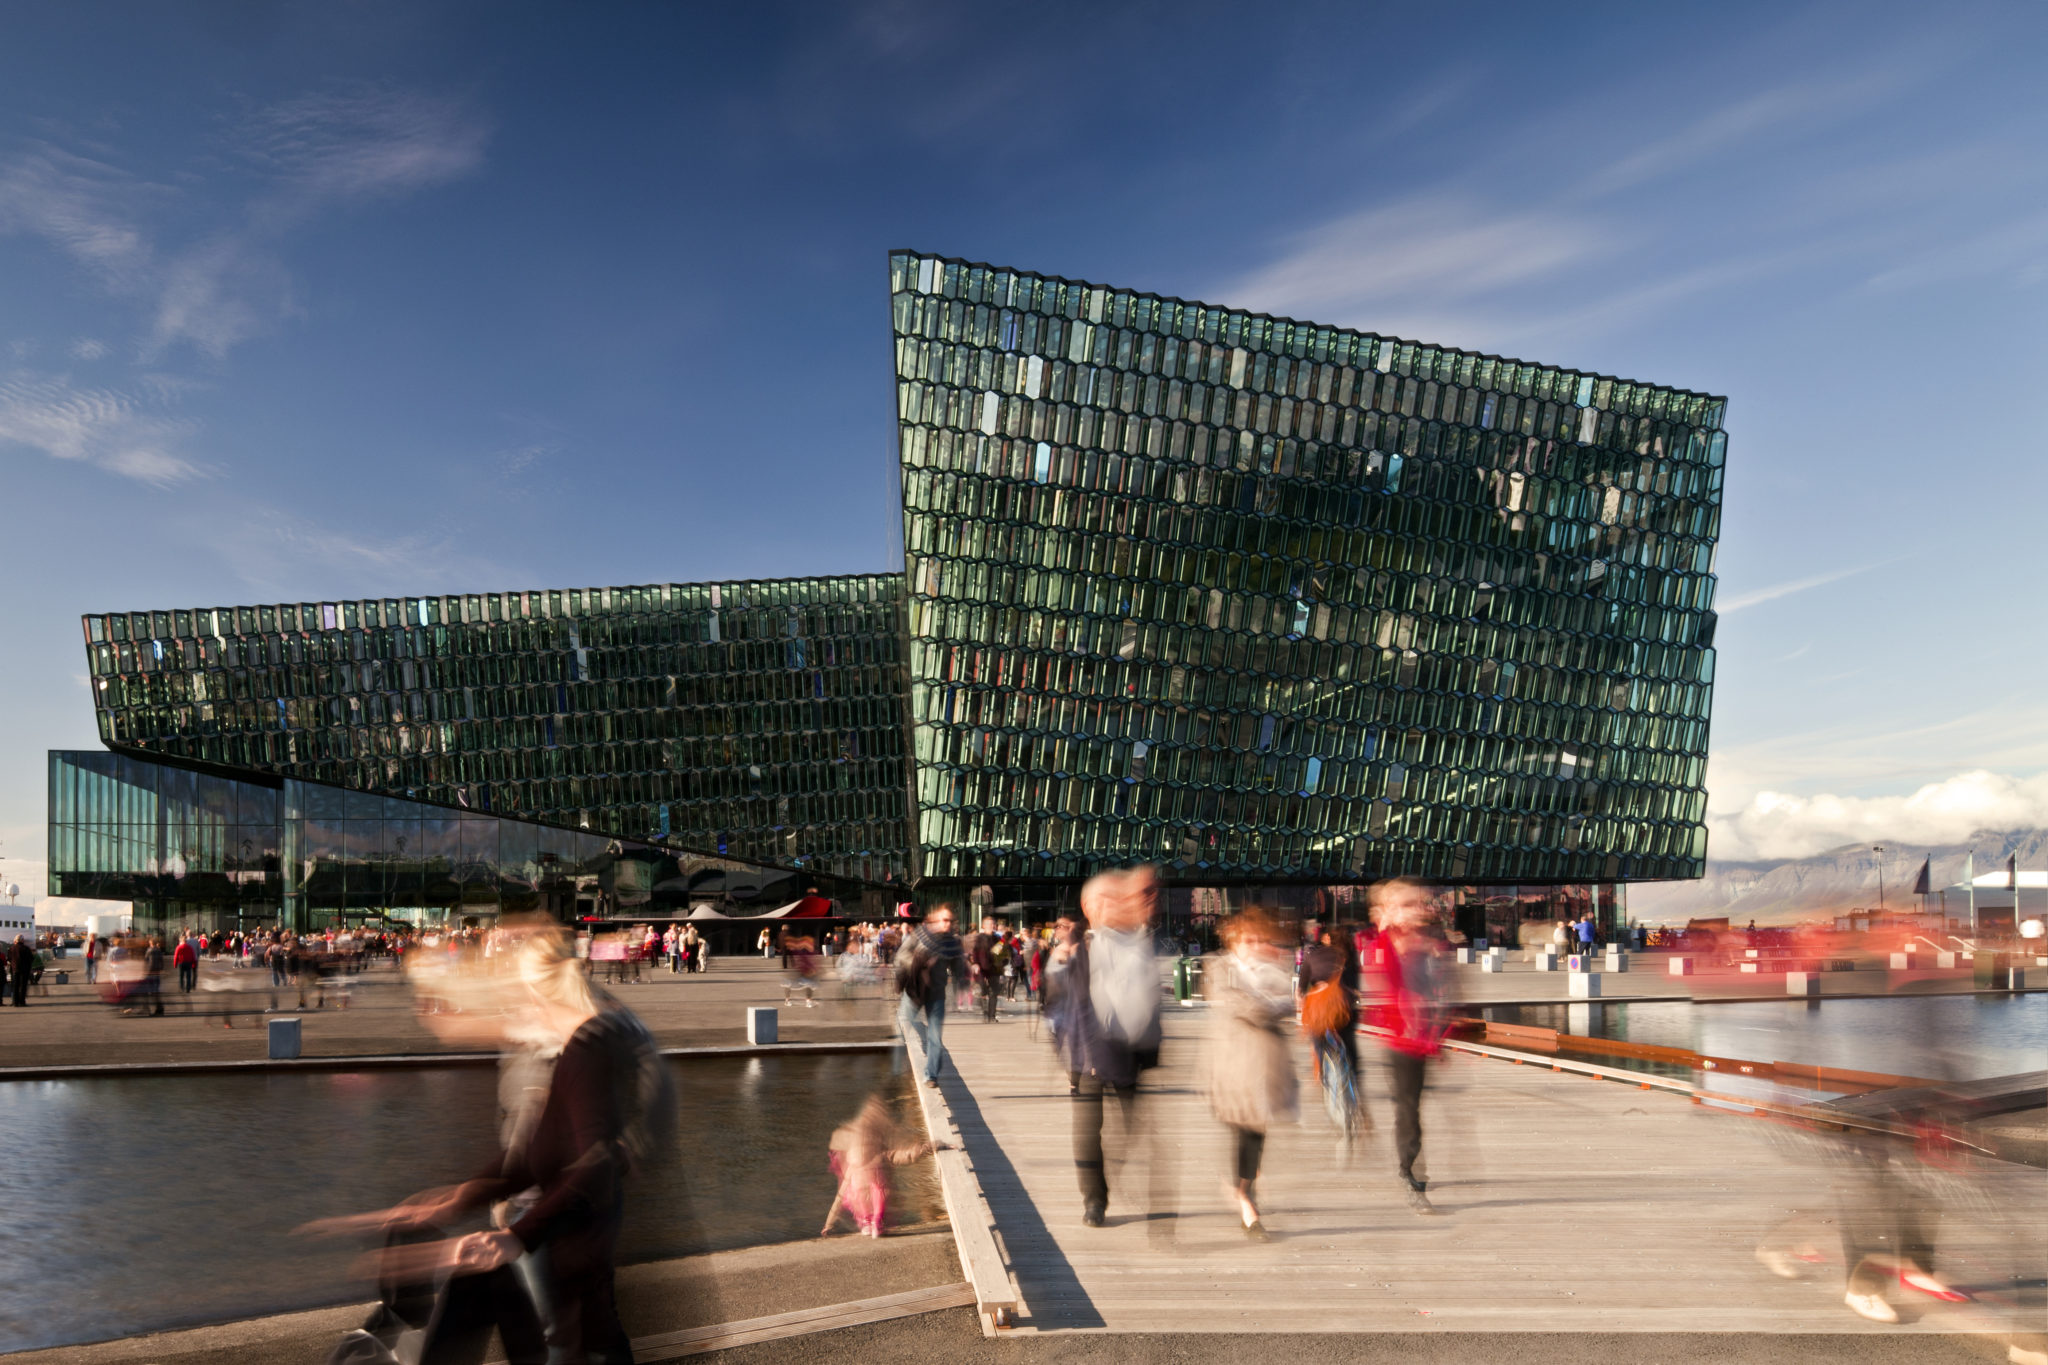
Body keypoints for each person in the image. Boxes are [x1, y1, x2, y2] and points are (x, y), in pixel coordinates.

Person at [1047, 866, 1167, 1230]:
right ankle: (1094, 1200)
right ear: (1088, 906)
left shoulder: (1142, 941)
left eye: (1117, 898)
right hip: (1087, 1055)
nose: (1113, 905)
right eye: (1104, 900)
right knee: (1087, 1132)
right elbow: (1059, 1002)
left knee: (1129, 1130)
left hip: (1128, 1054)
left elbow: (1149, 1001)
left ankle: (1113, 1178)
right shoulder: (1075, 946)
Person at [1204, 908, 1298, 1239]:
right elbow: (1240, 1006)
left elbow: (1289, 1002)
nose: (1254, 944)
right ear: (1233, 941)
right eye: (1247, 939)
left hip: (1266, 1068)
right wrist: (1270, 1004)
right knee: (1241, 1131)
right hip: (1232, 1068)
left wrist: (1274, 1002)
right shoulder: (1219, 968)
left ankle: (1244, 1187)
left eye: (1259, 938)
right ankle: (1245, 1200)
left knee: (1255, 1134)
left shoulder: (1274, 969)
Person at [1366, 878, 1449, 1214]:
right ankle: (1411, 1175)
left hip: (1425, 1039)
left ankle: (1412, 1168)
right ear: (1388, 911)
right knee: (1408, 1109)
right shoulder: (1381, 944)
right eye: (1407, 904)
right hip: (1400, 1041)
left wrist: (1440, 1030)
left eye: (1419, 904)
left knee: (1414, 1107)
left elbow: (1442, 988)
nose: (1418, 910)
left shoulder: (1428, 945)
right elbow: (1379, 984)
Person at [819, 1095, 948, 1239]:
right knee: (882, 1189)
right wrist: (932, 1146)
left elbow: (839, 1198)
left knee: (853, 1194)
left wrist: (829, 1224)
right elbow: (910, 1155)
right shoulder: (882, 1155)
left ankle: (866, 1222)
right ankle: (878, 1222)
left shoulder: (851, 1167)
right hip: (879, 1193)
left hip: (859, 1197)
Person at [895, 905, 965, 1088]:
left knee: (935, 1037)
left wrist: (964, 983)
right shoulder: (920, 935)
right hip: (915, 990)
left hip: (937, 993)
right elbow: (901, 955)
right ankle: (896, 1067)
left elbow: (959, 969)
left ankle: (931, 1076)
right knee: (902, 1026)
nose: (948, 924)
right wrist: (920, 964)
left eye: (951, 920)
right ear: (935, 920)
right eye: (944, 920)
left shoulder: (952, 943)